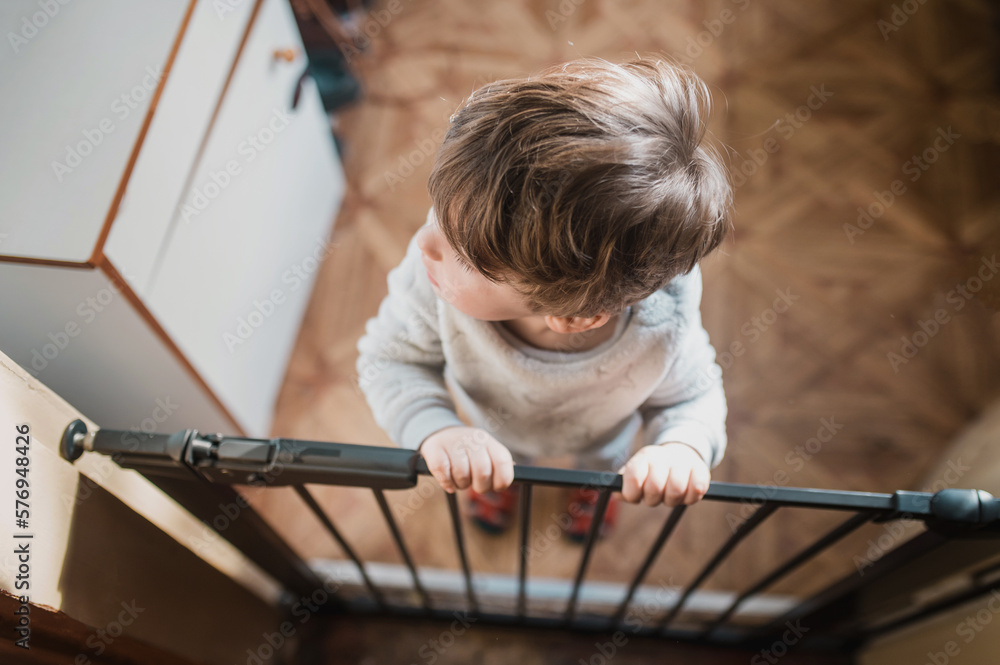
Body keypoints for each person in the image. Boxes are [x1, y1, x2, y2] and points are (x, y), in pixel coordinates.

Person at [355, 55, 733, 540]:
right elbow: (388, 360)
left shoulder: (663, 324)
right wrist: (438, 431)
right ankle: (496, 480)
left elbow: (693, 395)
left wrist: (680, 447)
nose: (424, 244)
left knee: (605, 464)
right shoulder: (430, 277)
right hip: (490, 430)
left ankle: (594, 489)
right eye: (438, 214)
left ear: (575, 318)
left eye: (467, 258)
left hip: (603, 436)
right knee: (492, 458)